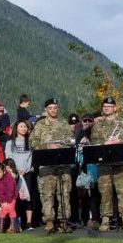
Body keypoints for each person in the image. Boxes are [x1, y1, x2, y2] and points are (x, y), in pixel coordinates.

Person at [89, 96, 123, 233]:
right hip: (104, 162)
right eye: (104, 106)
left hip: (121, 161)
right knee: (105, 192)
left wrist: (118, 140)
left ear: (115, 108)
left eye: (109, 106)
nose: (106, 108)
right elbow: (93, 140)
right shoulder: (97, 124)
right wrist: (105, 143)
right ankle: (105, 220)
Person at [31, 97, 75, 233]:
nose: (53, 110)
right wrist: (47, 145)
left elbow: (71, 142)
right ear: (46, 109)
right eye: (50, 108)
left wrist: (63, 144)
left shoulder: (64, 124)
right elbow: (32, 143)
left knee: (64, 193)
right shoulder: (40, 125)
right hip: (46, 165)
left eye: (55, 108)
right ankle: (49, 221)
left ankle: (63, 221)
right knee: (47, 194)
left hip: (62, 164)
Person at [3, 120, 34, 229]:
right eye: (21, 126)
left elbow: (31, 158)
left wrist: (25, 170)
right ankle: (15, 222)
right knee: (14, 198)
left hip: (27, 173)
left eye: (25, 127)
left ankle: (29, 222)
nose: (24, 128)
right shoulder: (10, 143)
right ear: (17, 128)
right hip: (14, 174)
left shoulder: (30, 142)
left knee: (28, 197)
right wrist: (15, 170)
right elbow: (9, 157)